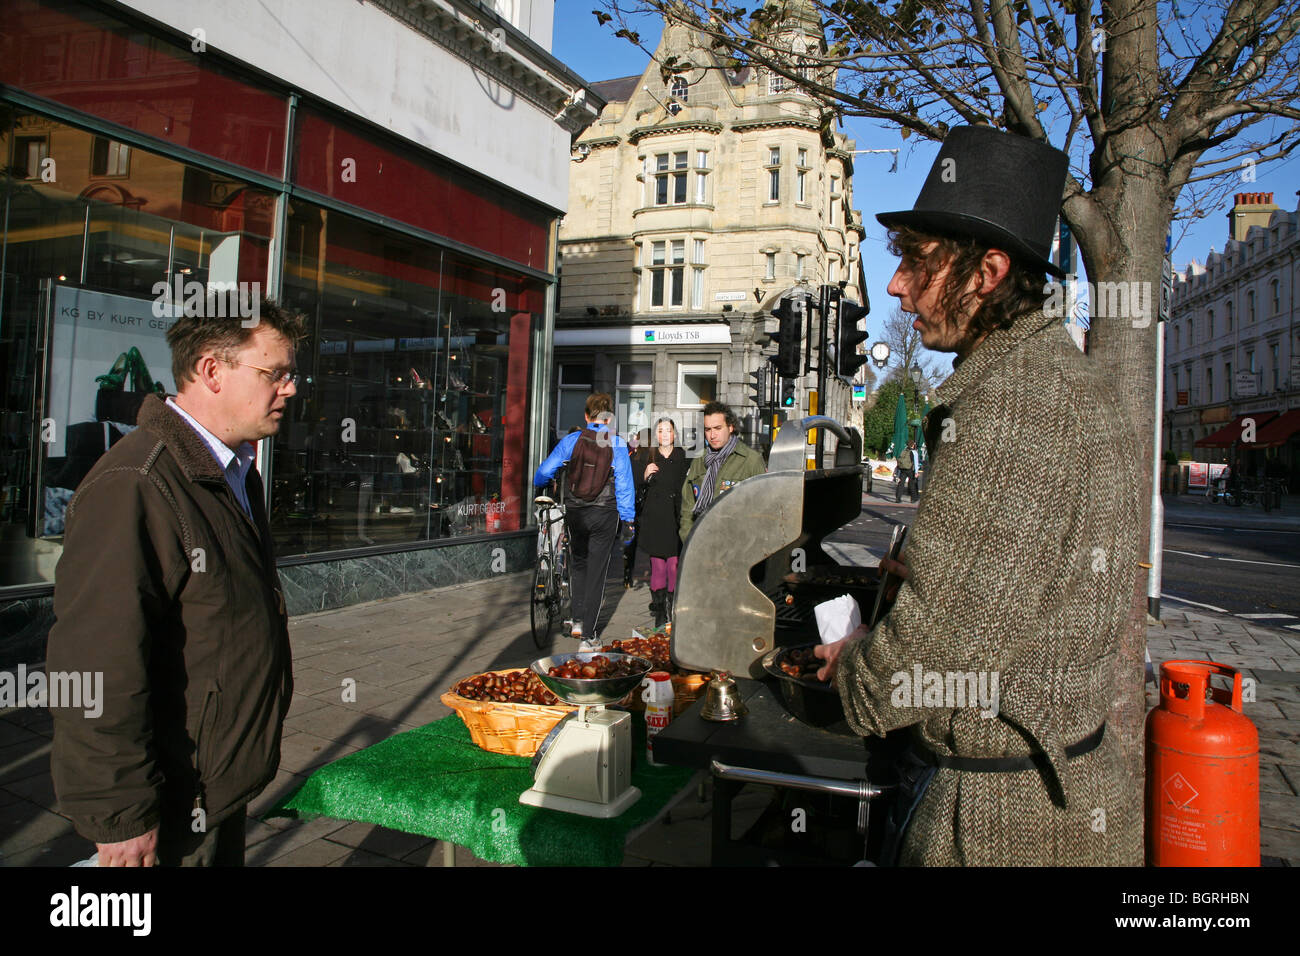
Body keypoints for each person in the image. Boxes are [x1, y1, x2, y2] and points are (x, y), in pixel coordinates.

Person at [814, 125, 1143, 866]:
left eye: (918, 263)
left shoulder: (1011, 409)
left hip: (997, 824)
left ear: (987, 272)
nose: (897, 285)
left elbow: (917, 667)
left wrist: (856, 662)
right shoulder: (1061, 381)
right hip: (1058, 794)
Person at [47, 298, 306, 866]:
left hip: (218, 782)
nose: (288, 389)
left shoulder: (232, 468)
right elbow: (93, 665)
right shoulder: (136, 483)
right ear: (212, 371)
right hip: (168, 802)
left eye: (291, 374)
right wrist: (120, 817)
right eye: (275, 373)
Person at [534, 392, 635, 641]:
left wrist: (542, 483)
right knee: (597, 571)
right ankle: (589, 633)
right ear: (609, 419)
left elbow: (544, 471)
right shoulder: (617, 444)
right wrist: (628, 519)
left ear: (586, 416)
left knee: (578, 563)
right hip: (604, 512)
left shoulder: (571, 440)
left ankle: (576, 621)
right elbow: (624, 485)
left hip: (576, 511)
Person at [679, 401, 766, 542]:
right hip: (701, 545)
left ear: (730, 427)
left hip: (736, 547)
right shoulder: (699, 460)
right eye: (708, 429)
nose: (712, 435)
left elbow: (762, 509)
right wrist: (688, 539)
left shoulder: (751, 460)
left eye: (718, 428)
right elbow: (688, 507)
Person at [635, 417, 688, 628]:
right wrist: (643, 474)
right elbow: (634, 481)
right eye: (660, 431)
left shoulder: (683, 456)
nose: (664, 434)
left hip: (675, 517)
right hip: (654, 517)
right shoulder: (649, 456)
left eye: (668, 430)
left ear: (674, 434)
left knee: (674, 566)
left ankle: (671, 608)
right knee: (657, 567)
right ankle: (659, 611)